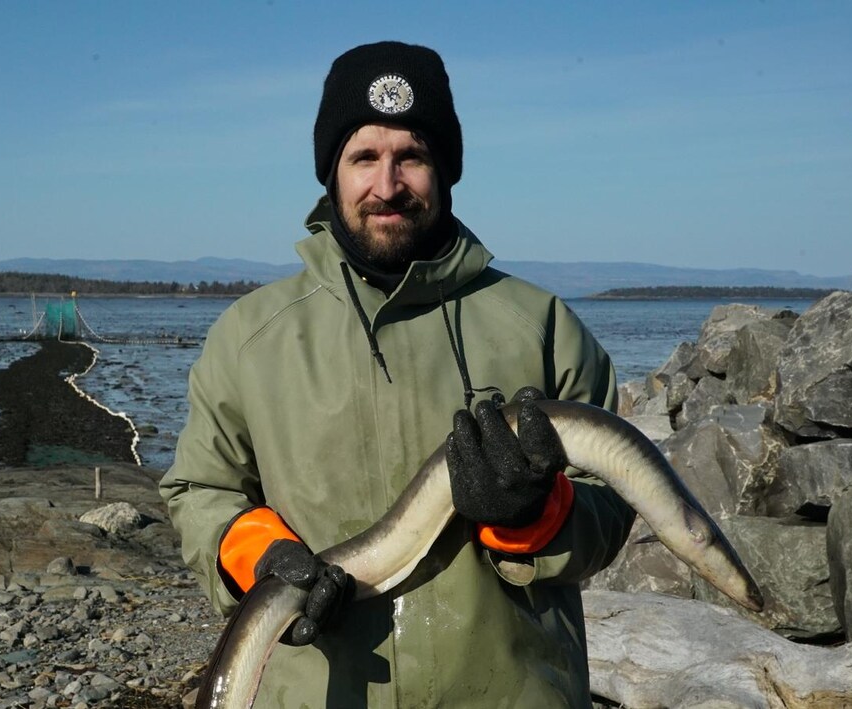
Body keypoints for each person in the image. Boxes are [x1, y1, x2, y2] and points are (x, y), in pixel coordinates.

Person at [159, 41, 635, 707]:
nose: (387, 185)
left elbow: (612, 502)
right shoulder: (250, 337)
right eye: (364, 158)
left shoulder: (541, 325)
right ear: (331, 173)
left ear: (444, 168)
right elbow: (200, 487)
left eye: (410, 156)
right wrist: (256, 553)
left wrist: (539, 514)